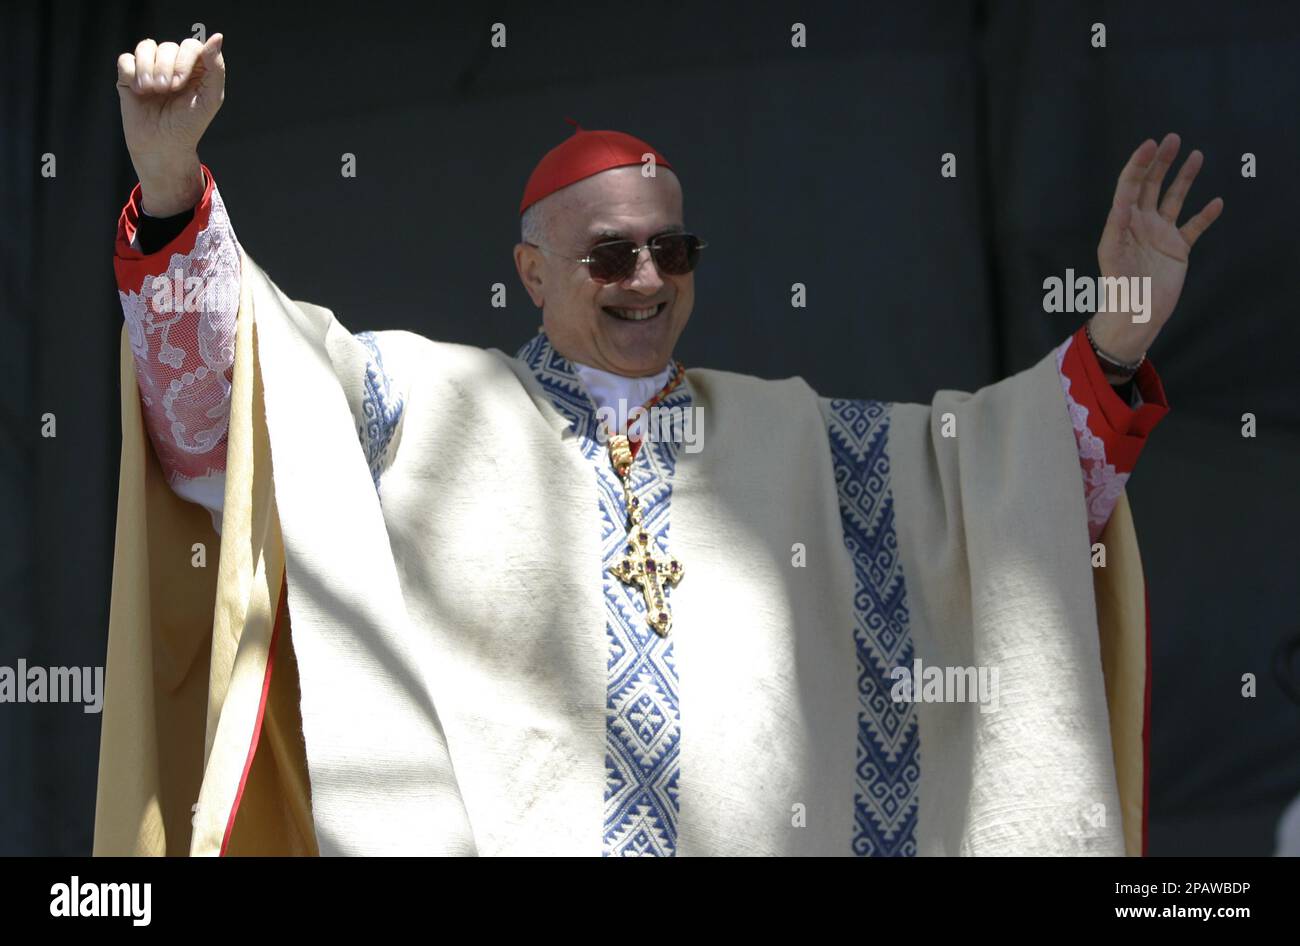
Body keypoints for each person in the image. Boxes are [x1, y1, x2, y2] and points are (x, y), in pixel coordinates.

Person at [95, 33, 1223, 856]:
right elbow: (222, 423)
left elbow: (1005, 496)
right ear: (533, 274)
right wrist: (168, 186)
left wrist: (1116, 332)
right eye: (609, 256)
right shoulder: (416, 403)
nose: (646, 279)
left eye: (671, 250)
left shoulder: (795, 436)